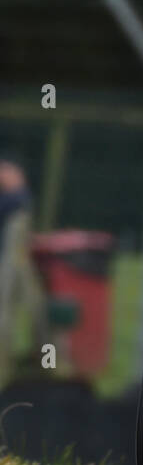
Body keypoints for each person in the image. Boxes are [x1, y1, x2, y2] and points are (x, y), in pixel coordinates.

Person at [0, 152, 46, 383]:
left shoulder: (16, 200)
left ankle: (24, 357)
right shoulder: (14, 200)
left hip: (13, 259)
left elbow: (19, 201)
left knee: (17, 305)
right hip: (13, 258)